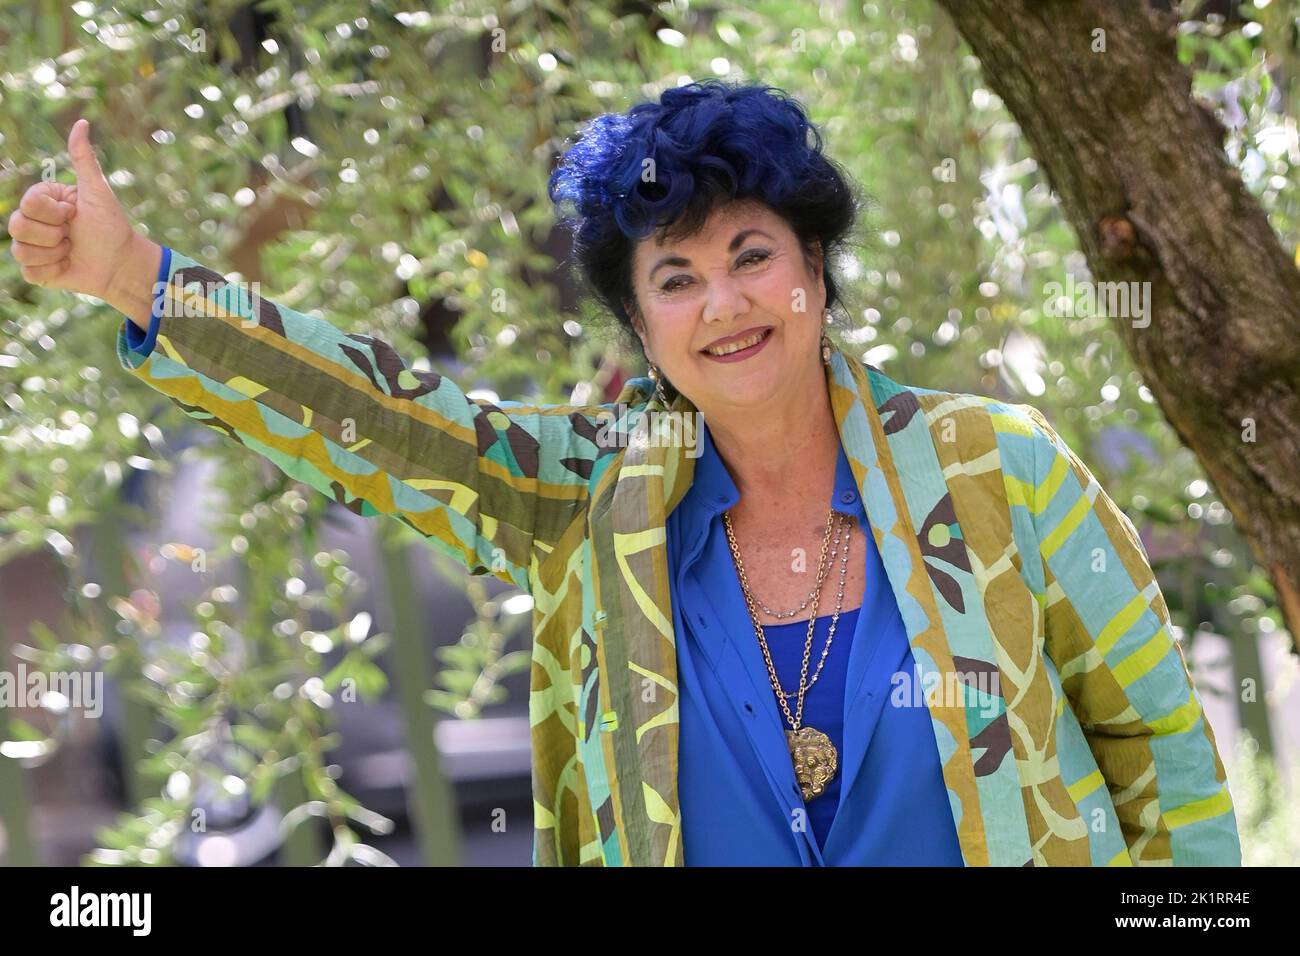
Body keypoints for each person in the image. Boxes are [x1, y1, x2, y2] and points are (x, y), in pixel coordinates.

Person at [8, 80, 1240, 867]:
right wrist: (140, 281)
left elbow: (1159, 754)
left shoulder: (998, 467)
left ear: (813, 268)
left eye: (751, 254)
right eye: (675, 277)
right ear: (641, 330)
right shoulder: (591, 499)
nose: (725, 302)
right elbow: (387, 419)